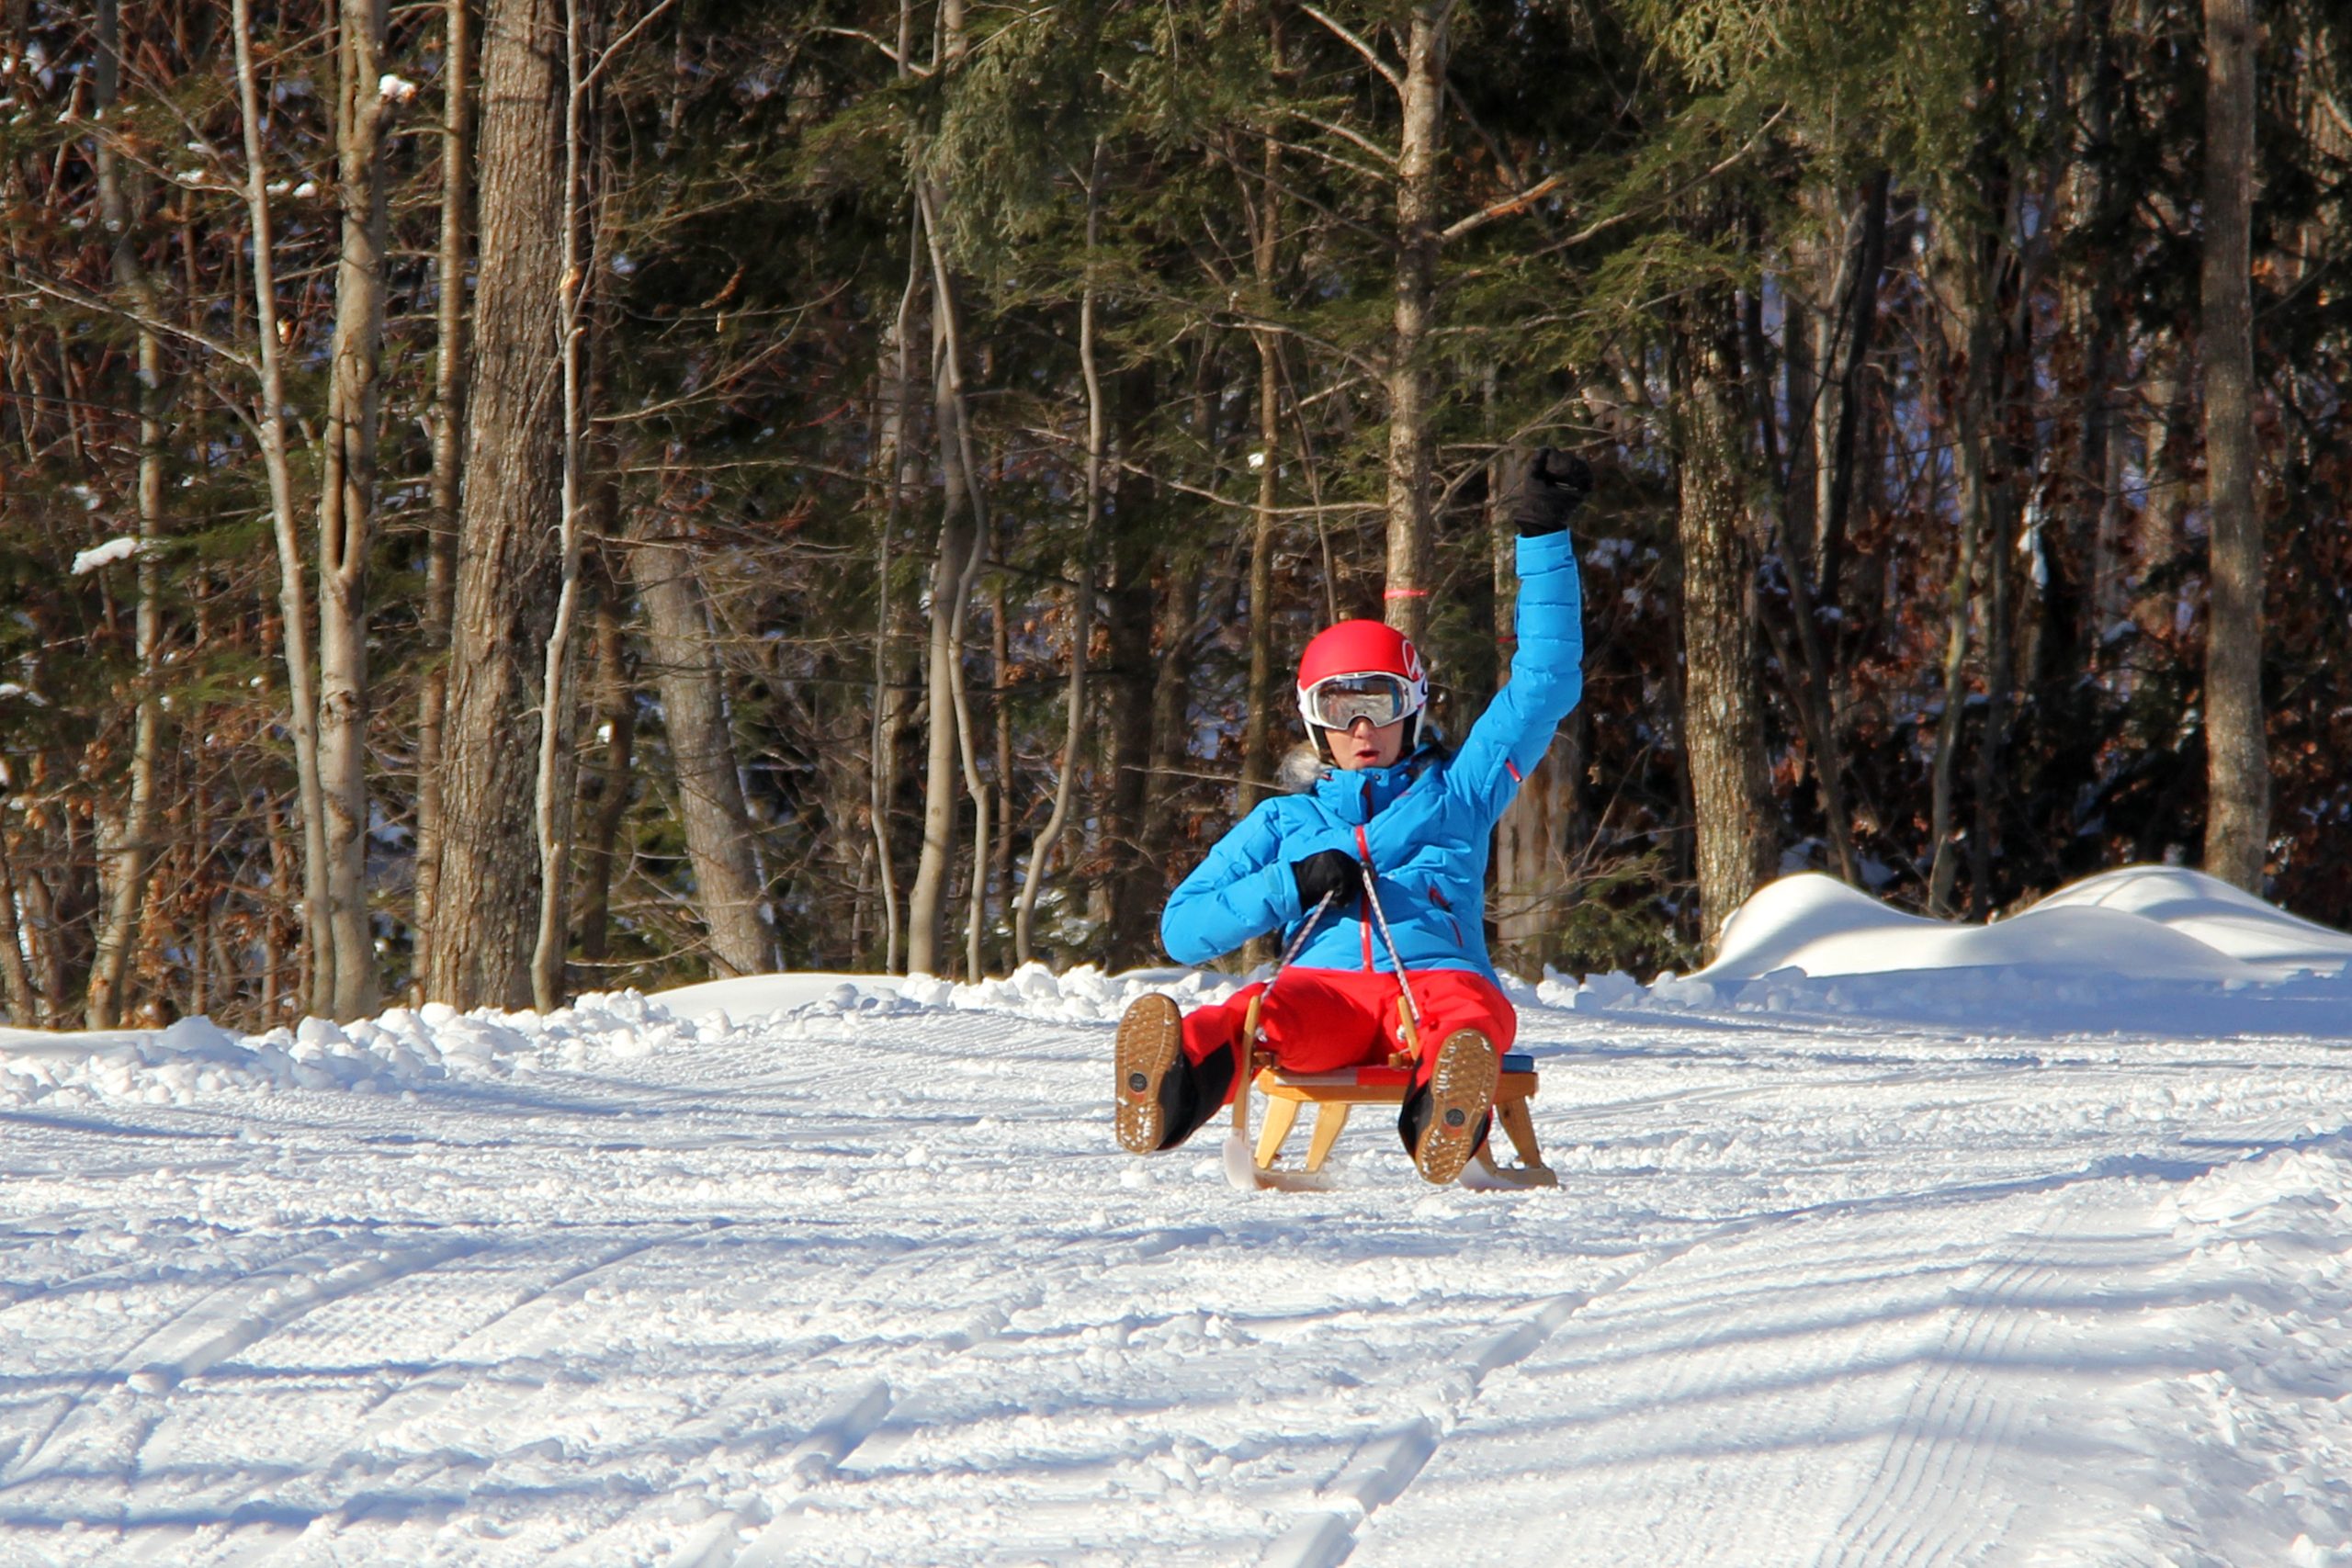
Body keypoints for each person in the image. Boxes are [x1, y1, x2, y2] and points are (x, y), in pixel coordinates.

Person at [1114, 449, 1590, 1183]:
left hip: (1431, 985)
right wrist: (1294, 882)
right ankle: (1168, 1088)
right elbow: (1182, 928)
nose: (1364, 727)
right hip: (1326, 994)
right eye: (1342, 708)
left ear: (1414, 708)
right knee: (1258, 1010)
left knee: (1469, 1010)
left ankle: (1443, 1112)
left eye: (1383, 702)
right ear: (1315, 724)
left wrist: (1542, 536)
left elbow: (1544, 684)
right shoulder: (1285, 824)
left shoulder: (1460, 792)